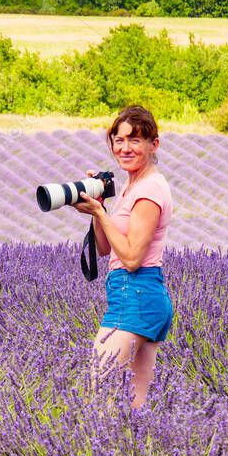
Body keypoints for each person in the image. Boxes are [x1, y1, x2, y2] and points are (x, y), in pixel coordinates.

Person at [71, 105, 174, 410]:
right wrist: (98, 206)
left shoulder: (150, 190)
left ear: (153, 144)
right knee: (134, 408)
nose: (125, 148)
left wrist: (101, 212)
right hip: (139, 296)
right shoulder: (133, 186)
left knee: (98, 397)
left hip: (135, 294)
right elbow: (105, 249)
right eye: (119, 140)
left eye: (135, 140)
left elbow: (131, 258)